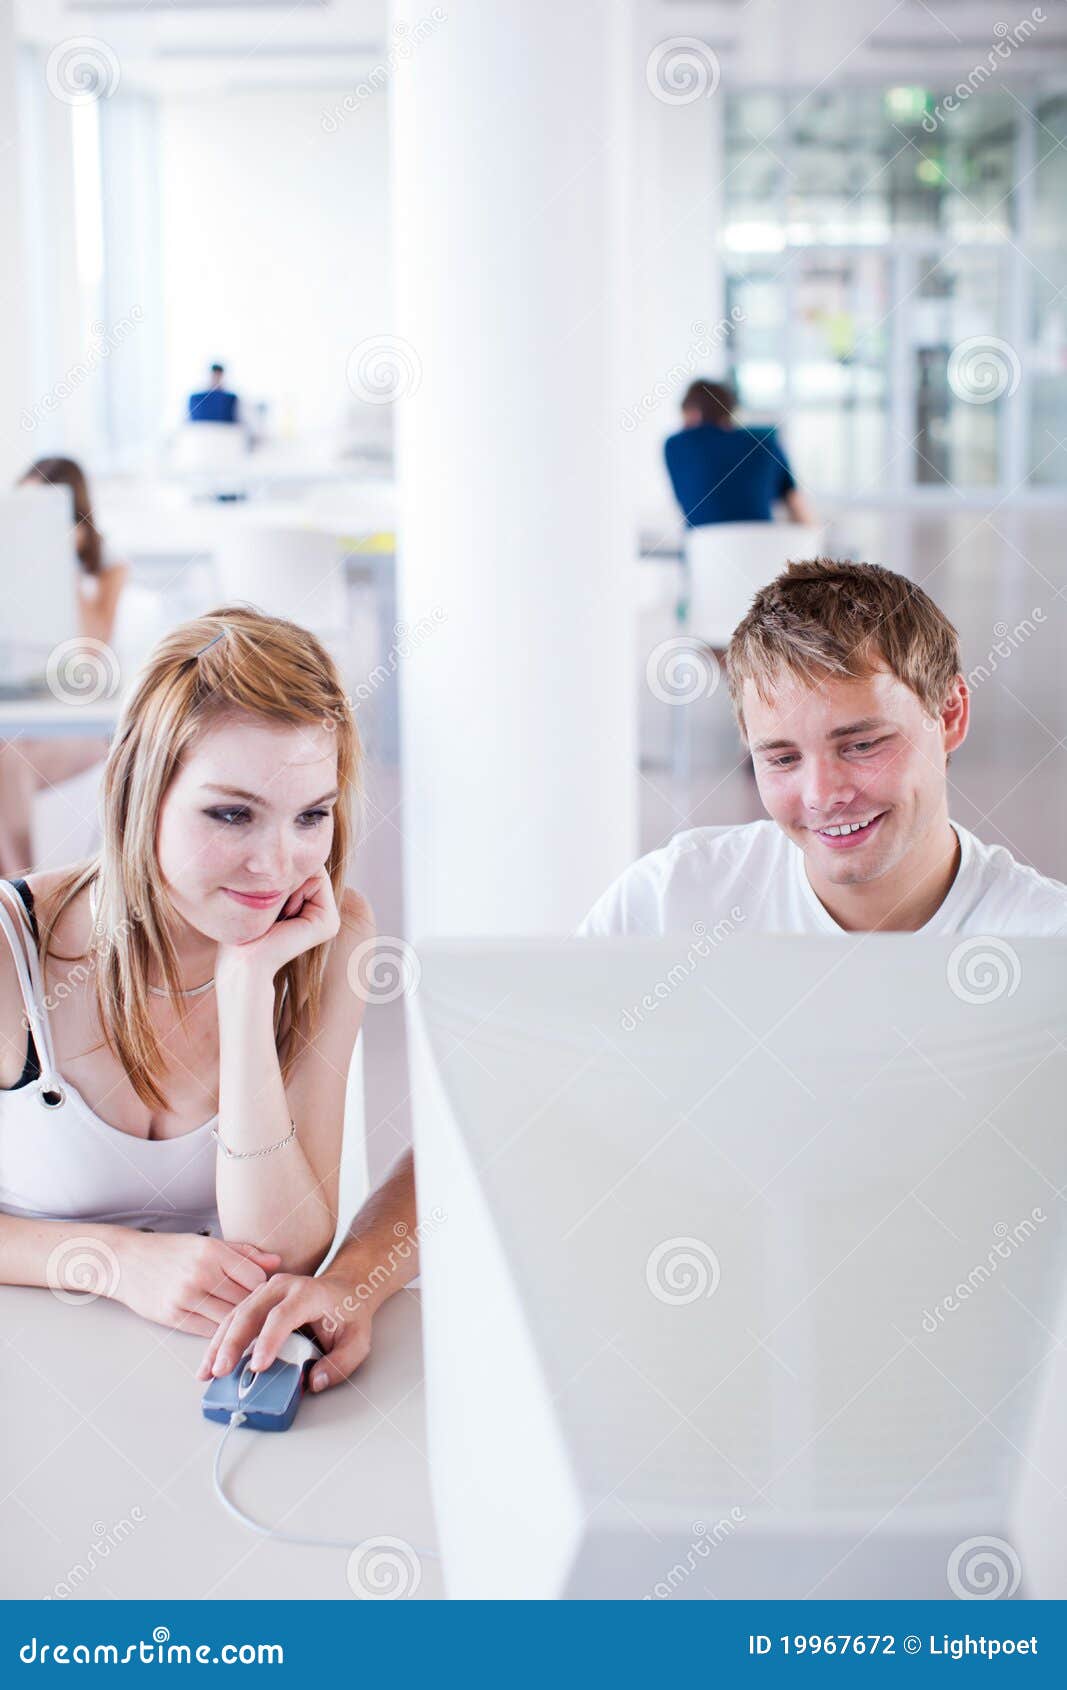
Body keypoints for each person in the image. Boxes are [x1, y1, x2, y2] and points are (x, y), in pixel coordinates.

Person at [0, 605, 415, 1359]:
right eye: (232, 814)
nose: (276, 863)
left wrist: (249, 989)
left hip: (199, 1374)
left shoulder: (326, 938)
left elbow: (282, 1252)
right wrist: (114, 1262)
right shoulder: (10, 949)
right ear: (138, 788)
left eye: (310, 815)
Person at [581, 558, 1067, 939]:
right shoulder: (666, 904)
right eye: (783, 758)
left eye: (861, 745)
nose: (821, 795)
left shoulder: (1044, 941)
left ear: (950, 715)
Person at [0, 458, 129, 875]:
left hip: (86, 726)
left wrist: (61, 566)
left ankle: (17, 889)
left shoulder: (107, 570)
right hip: (24, 716)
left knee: (7, 754)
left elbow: (91, 647)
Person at [665, 379, 816, 529]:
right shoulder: (766, 443)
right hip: (763, 545)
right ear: (729, 412)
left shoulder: (673, 445)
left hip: (703, 548)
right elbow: (799, 512)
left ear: (693, 413)